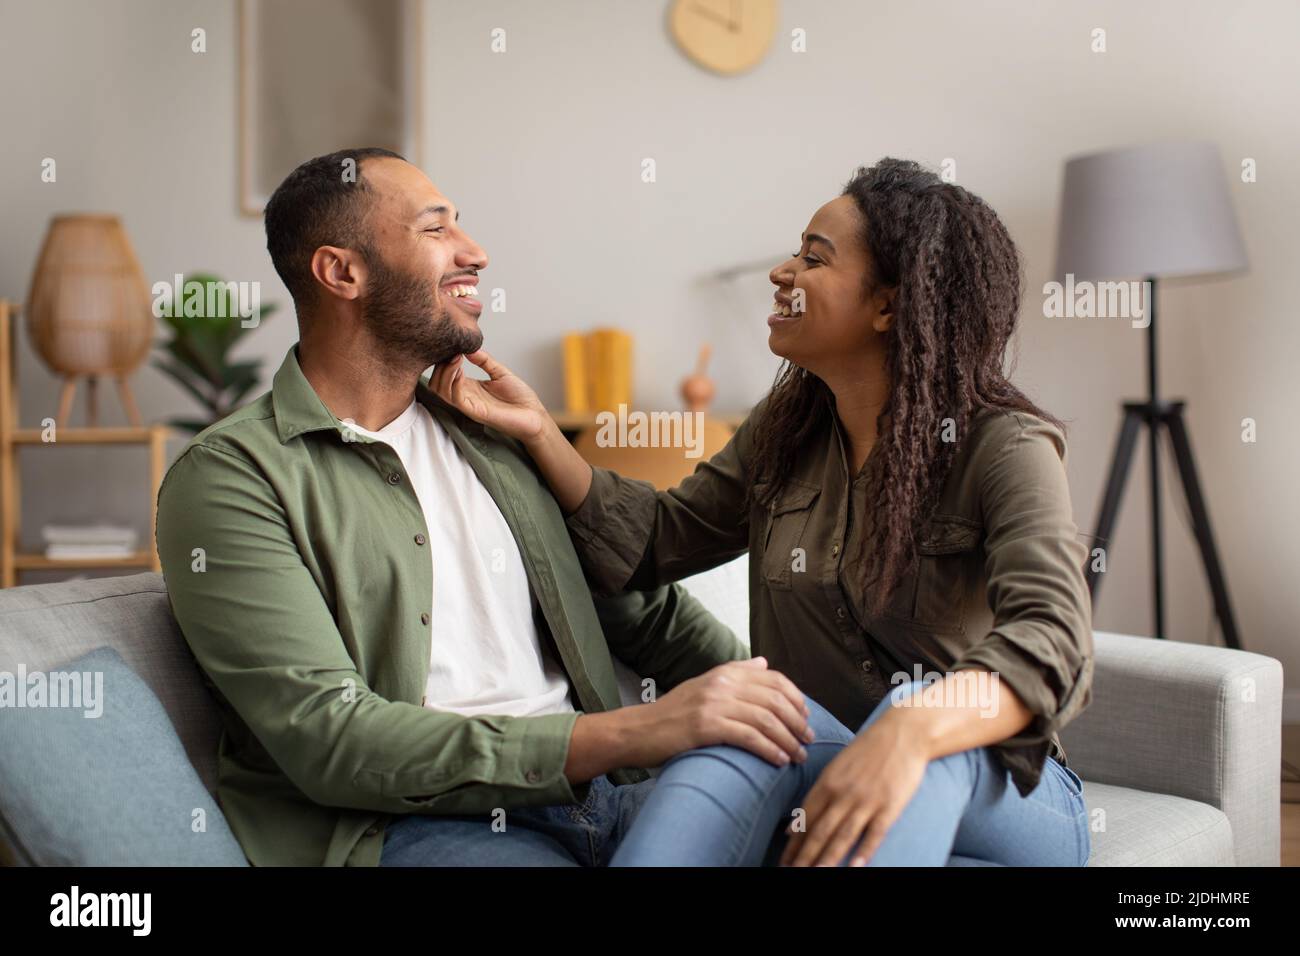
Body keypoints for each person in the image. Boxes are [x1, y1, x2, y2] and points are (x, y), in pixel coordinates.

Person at [155, 147, 816, 867]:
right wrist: (637, 731)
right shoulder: (232, 476)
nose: (477, 254)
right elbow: (331, 739)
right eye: (437, 230)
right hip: (418, 830)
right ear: (341, 271)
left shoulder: (491, 433)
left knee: (854, 822)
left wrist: (791, 716)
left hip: (611, 799)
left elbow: (641, 614)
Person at [431, 158, 1095, 866]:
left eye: (814, 258)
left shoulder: (1003, 444)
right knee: (749, 722)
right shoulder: (787, 430)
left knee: (927, 753)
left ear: (888, 305)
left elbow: (1053, 638)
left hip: (1001, 783)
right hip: (823, 747)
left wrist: (912, 725)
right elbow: (659, 537)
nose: (781, 273)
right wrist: (540, 434)